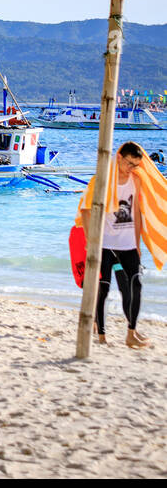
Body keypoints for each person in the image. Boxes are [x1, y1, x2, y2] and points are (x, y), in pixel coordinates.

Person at [80, 142, 164, 349]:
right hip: (106, 244)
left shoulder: (136, 181)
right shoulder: (102, 181)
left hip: (127, 245)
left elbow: (136, 213)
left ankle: (131, 333)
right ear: (119, 158)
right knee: (104, 288)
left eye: (136, 165)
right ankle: (101, 335)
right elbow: (85, 210)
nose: (132, 169)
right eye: (129, 164)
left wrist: (137, 244)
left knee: (136, 285)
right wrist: (92, 242)